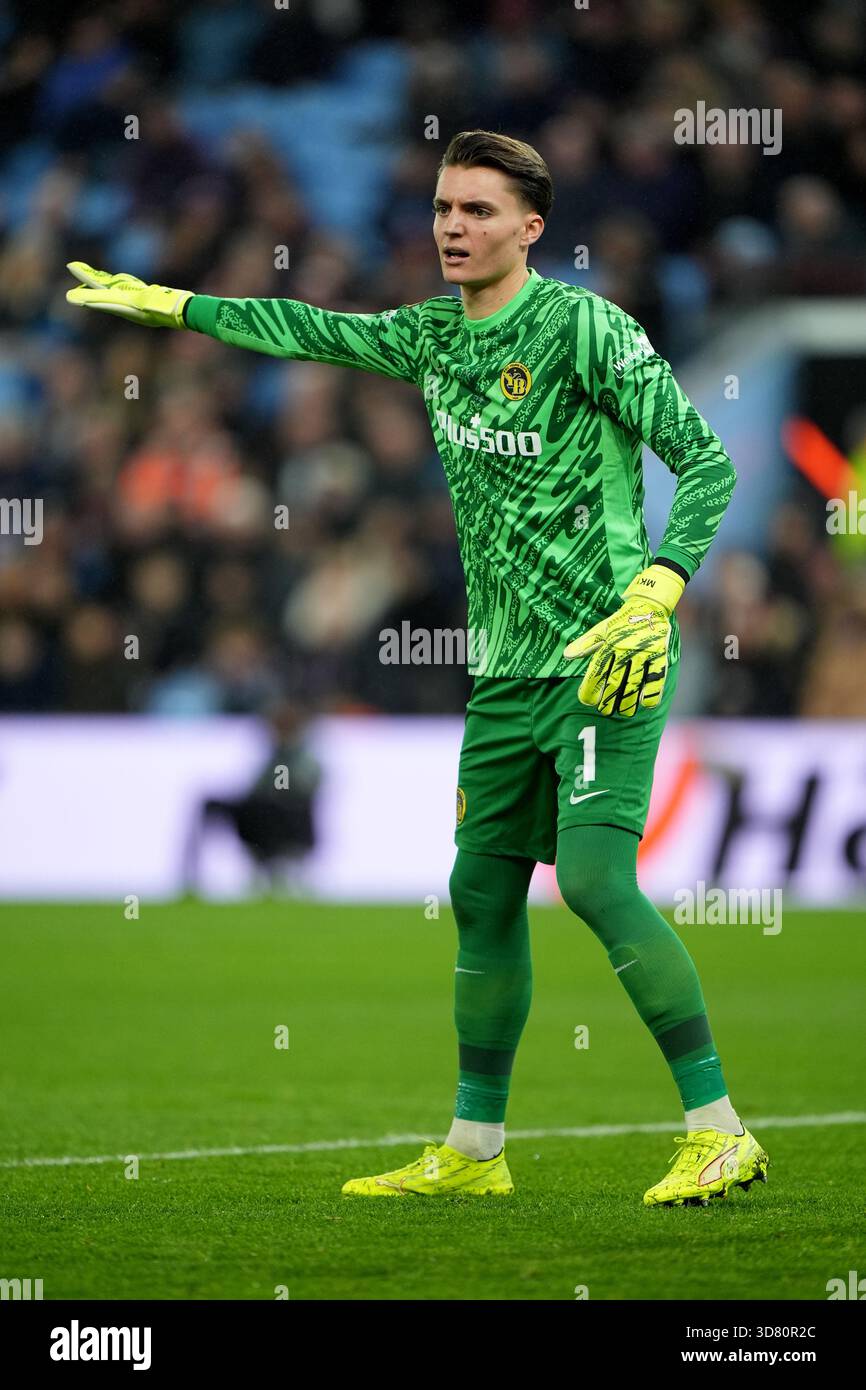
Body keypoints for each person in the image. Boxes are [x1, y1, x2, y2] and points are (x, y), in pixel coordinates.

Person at [66, 128, 769, 1208]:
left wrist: (660, 588)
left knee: (587, 879)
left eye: (478, 210)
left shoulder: (582, 327)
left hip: (603, 653)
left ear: (530, 228)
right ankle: (474, 1149)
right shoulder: (434, 337)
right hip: (499, 673)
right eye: (443, 208)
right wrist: (178, 306)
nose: (452, 226)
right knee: (478, 891)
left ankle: (717, 1129)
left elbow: (705, 460)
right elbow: (310, 327)